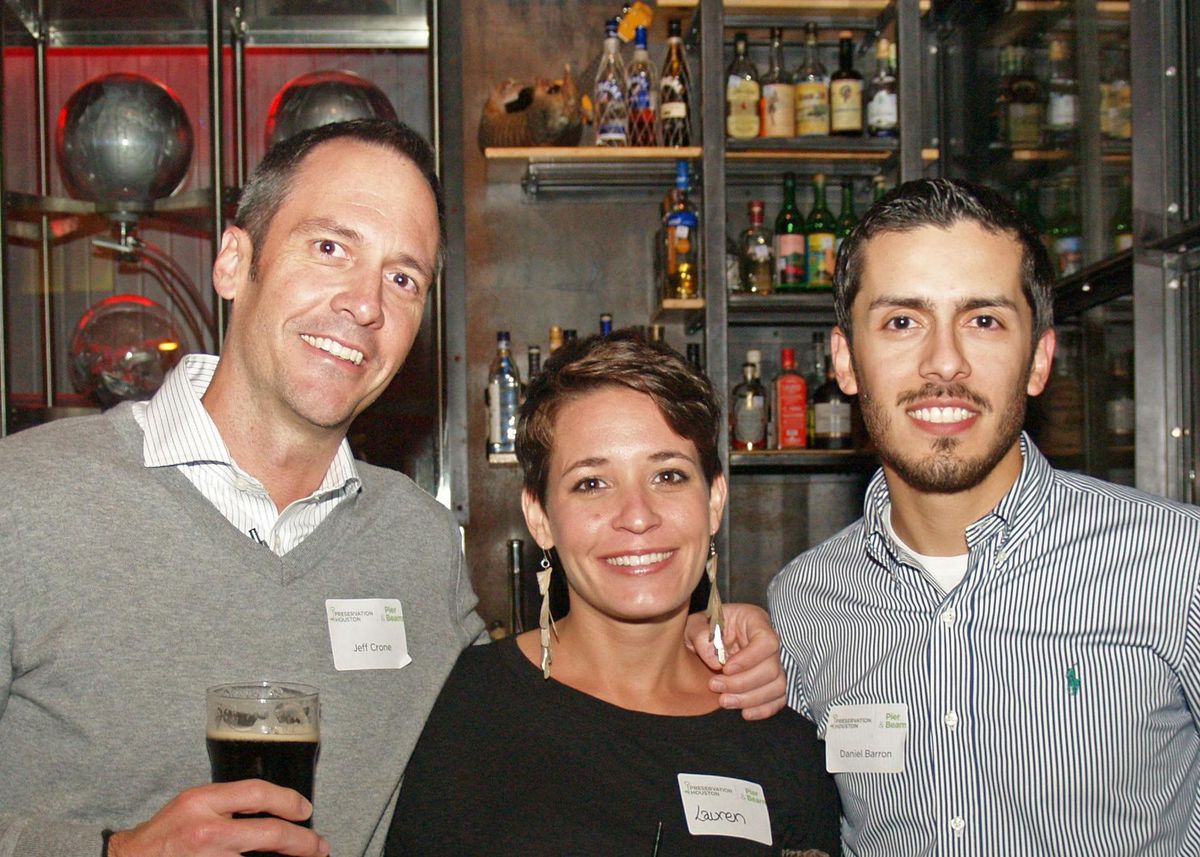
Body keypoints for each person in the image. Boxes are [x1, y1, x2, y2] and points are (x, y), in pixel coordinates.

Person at [0, 120, 786, 857]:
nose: (365, 304)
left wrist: (693, 630)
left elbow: (534, 701)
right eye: (330, 246)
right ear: (234, 261)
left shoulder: (416, 539)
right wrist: (109, 851)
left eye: (402, 277)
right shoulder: (26, 499)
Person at [768, 178, 1200, 856]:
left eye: (984, 320)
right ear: (846, 362)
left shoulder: (1178, 562)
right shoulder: (802, 605)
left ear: (1039, 360)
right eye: (902, 322)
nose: (945, 362)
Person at [386, 330, 840, 856]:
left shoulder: (779, 740)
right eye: (592, 483)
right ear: (540, 516)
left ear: (714, 501)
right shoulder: (464, 709)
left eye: (668, 475)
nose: (638, 516)